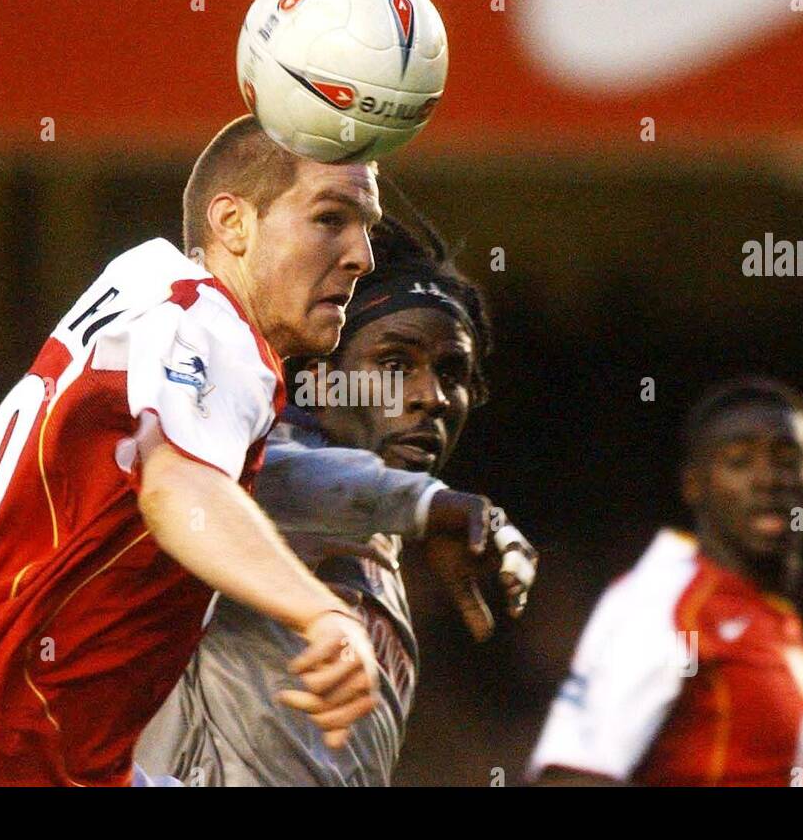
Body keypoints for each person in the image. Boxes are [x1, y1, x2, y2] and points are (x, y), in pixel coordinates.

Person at [0, 116, 387, 786]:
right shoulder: (213, 325)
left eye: (365, 226)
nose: (360, 255)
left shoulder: (147, 291)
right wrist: (319, 610)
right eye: (330, 219)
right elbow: (177, 492)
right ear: (232, 223)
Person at [136, 215, 538, 785]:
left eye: (453, 373)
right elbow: (266, 478)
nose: (431, 397)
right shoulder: (252, 469)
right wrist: (432, 506)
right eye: (395, 365)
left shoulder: (378, 543)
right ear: (320, 380)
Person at [528, 378, 803, 786]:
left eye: (787, 459)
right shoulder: (660, 601)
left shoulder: (772, 616)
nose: (769, 480)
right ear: (694, 485)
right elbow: (570, 777)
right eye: (740, 461)